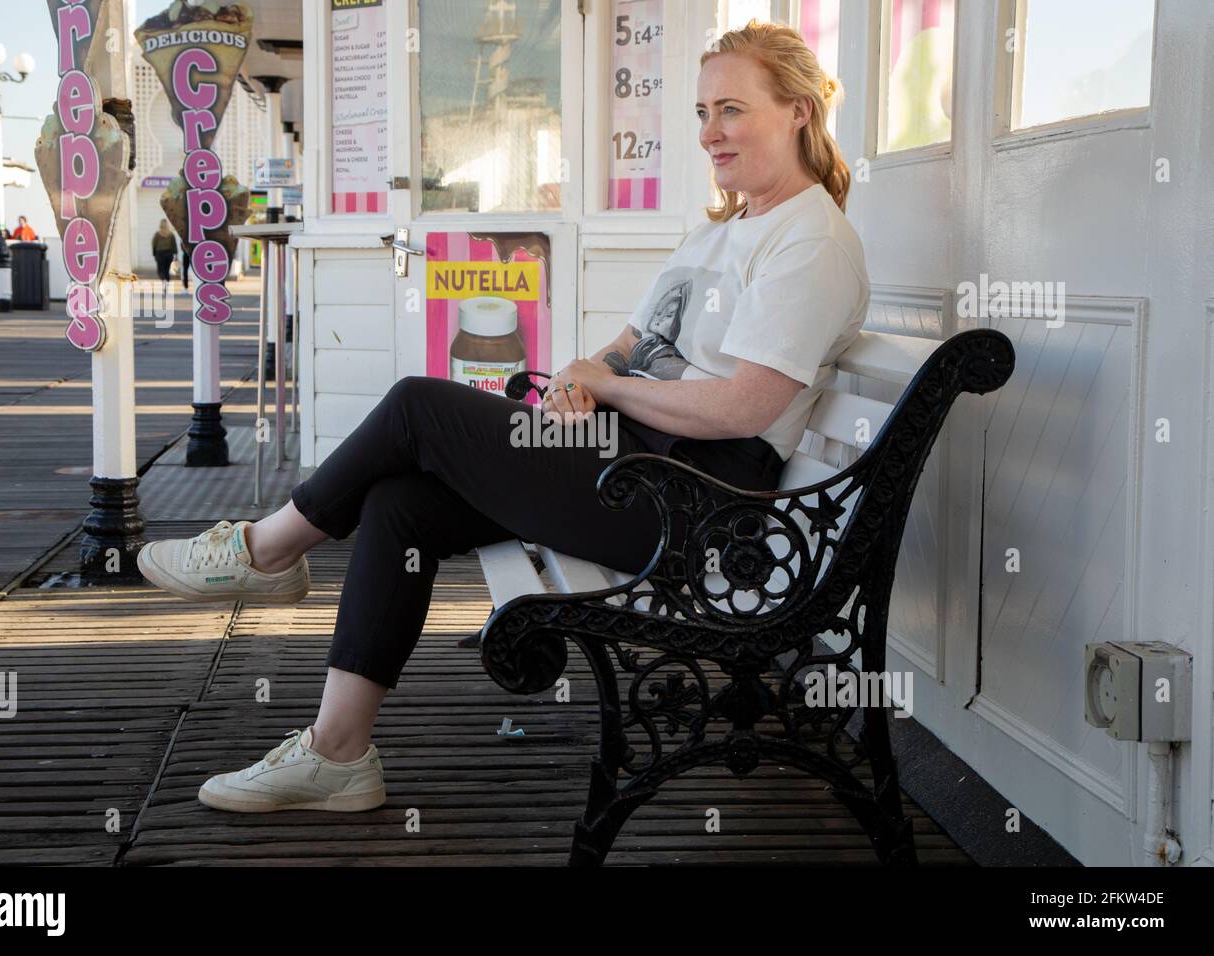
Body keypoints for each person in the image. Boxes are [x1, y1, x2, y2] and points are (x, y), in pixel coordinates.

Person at [135, 19, 869, 815]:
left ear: (798, 109)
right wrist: (586, 379)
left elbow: (743, 406)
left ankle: (263, 549)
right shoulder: (720, 230)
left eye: (731, 109)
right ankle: (337, 752)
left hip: (697, 504)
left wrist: (610, 388)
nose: (710, 134)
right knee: (400, 504)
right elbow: (631, 346)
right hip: (631, 458)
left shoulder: (809, 240)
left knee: (419, 405)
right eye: (699, 113)